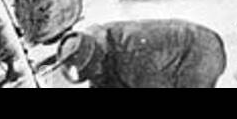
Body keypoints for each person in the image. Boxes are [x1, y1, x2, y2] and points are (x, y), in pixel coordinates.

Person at [55, 20, 227, 88]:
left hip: (200, 52)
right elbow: (102, 81)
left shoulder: (133, 57)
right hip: (173, 51)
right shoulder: (95, 44)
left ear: (98, 61)